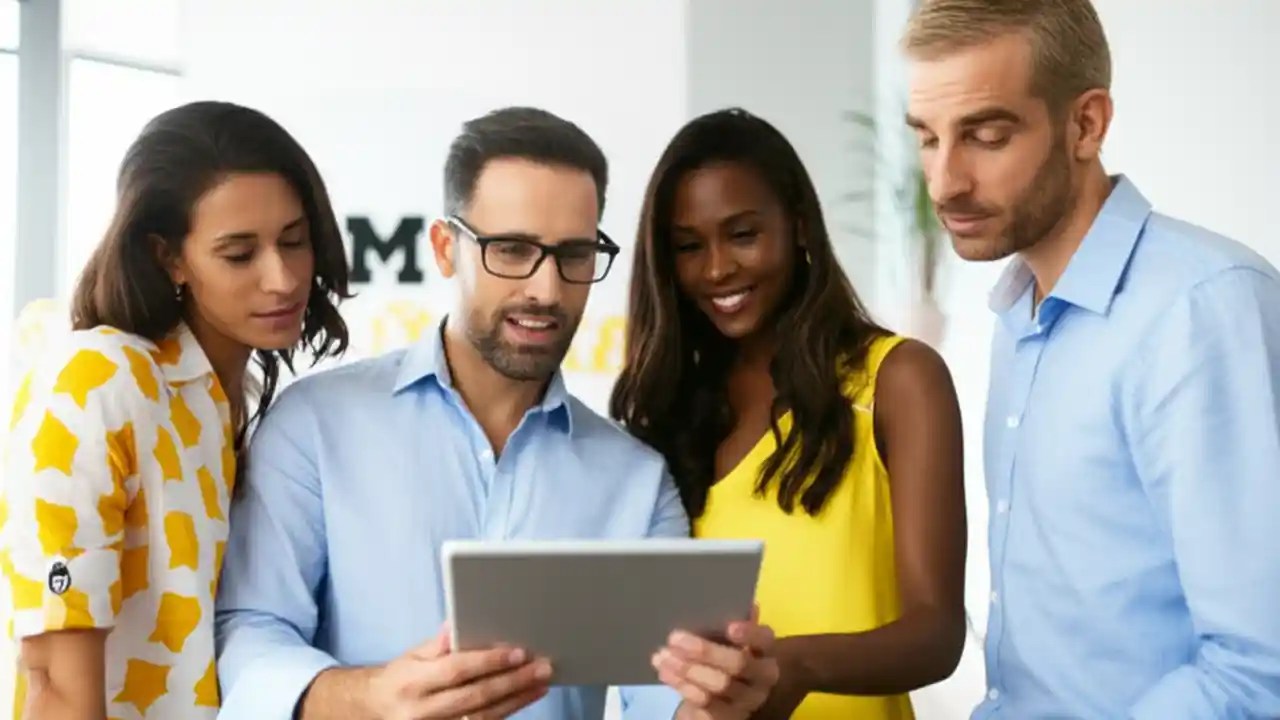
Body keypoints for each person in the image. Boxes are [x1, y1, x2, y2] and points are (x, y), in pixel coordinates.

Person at [213, 106, 779, 720]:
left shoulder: (636, 481)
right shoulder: (315, 427)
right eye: (511, 250)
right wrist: (370, 698)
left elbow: (662, 703)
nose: (545, 289)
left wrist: (717, 704)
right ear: (445, 248)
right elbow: (248, 631)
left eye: (575, 254)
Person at [901, 1, 1280, 718]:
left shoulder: (1201, 311)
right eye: (927, 138)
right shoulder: (1018, 315)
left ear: (1087, 124)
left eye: (985, 136)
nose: (945, 181)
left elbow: (1261, 666)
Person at [610, 107, 968, 720]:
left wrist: (796, 665)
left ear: (799, 226)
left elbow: (937, 635)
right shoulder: (667, 413)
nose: (718, 268)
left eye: (744, 234)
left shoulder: (899, 381)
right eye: (689, 247)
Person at [0, 100, 351, 720]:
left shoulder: (232, 406)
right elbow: (53, 682)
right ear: (168, 256)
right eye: (240, 255)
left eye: (294, 241)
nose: (282, 278)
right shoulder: (98, 380)